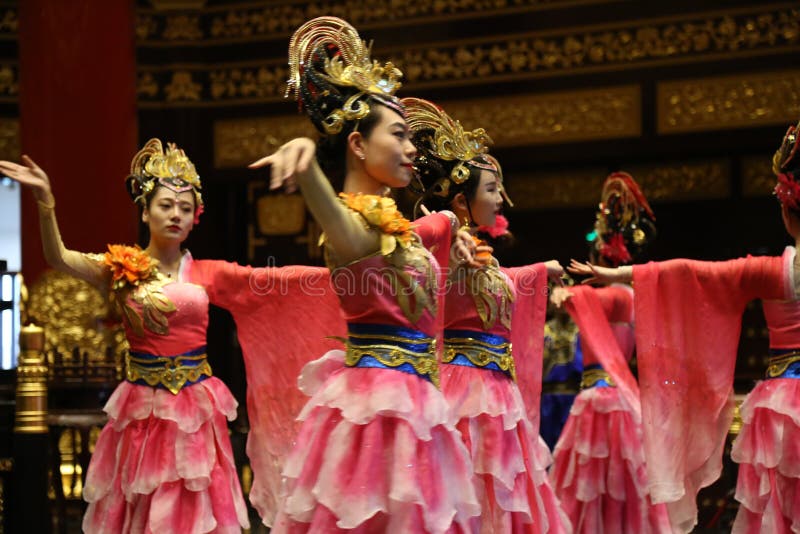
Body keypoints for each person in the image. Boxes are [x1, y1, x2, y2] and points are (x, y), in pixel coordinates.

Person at [250, 18, 482, 532]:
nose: (411, 149)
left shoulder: (401, 230)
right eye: (398, 135)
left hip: (421, 402)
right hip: (377, 413)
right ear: (357, 144)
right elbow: (337, 220)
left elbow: (433, 226)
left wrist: (453, 227)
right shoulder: (351, 228)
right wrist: (308, 167)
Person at [1, 141, 251, 532]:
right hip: (143, 408)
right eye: (166, 205)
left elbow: (267, 283)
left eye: (186, 209)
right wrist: (46, 203)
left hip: (196, 405)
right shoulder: (121, 268)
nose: (175, 215)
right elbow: (59, 257)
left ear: (195, 218)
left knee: (195, 499)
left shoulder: (206, 271)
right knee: (143, 503)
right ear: (145, 209)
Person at [568, 126, 800, 532]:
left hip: (787, 405)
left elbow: (693, 274)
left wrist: (619, 274)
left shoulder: (779, 271)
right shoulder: (777, 271)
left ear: (786, 209)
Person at [402, 97, 571, 533]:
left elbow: (493, 284)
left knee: (501, 501)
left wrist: (539, 272)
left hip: (497, 393)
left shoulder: (478, 251)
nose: (501, 200)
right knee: (470, 502)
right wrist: (443, 233)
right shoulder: (441, 238)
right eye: (492, 190)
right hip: (465, 390)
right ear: (462, 199)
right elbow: (401, 253)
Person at [549, 173, 670, 533]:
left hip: (603, 399)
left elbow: (576, 298)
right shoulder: (632, 297)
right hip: (620, 398)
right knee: (618, 490)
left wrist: (564, 291)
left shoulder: (615, 296)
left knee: (598, 489)